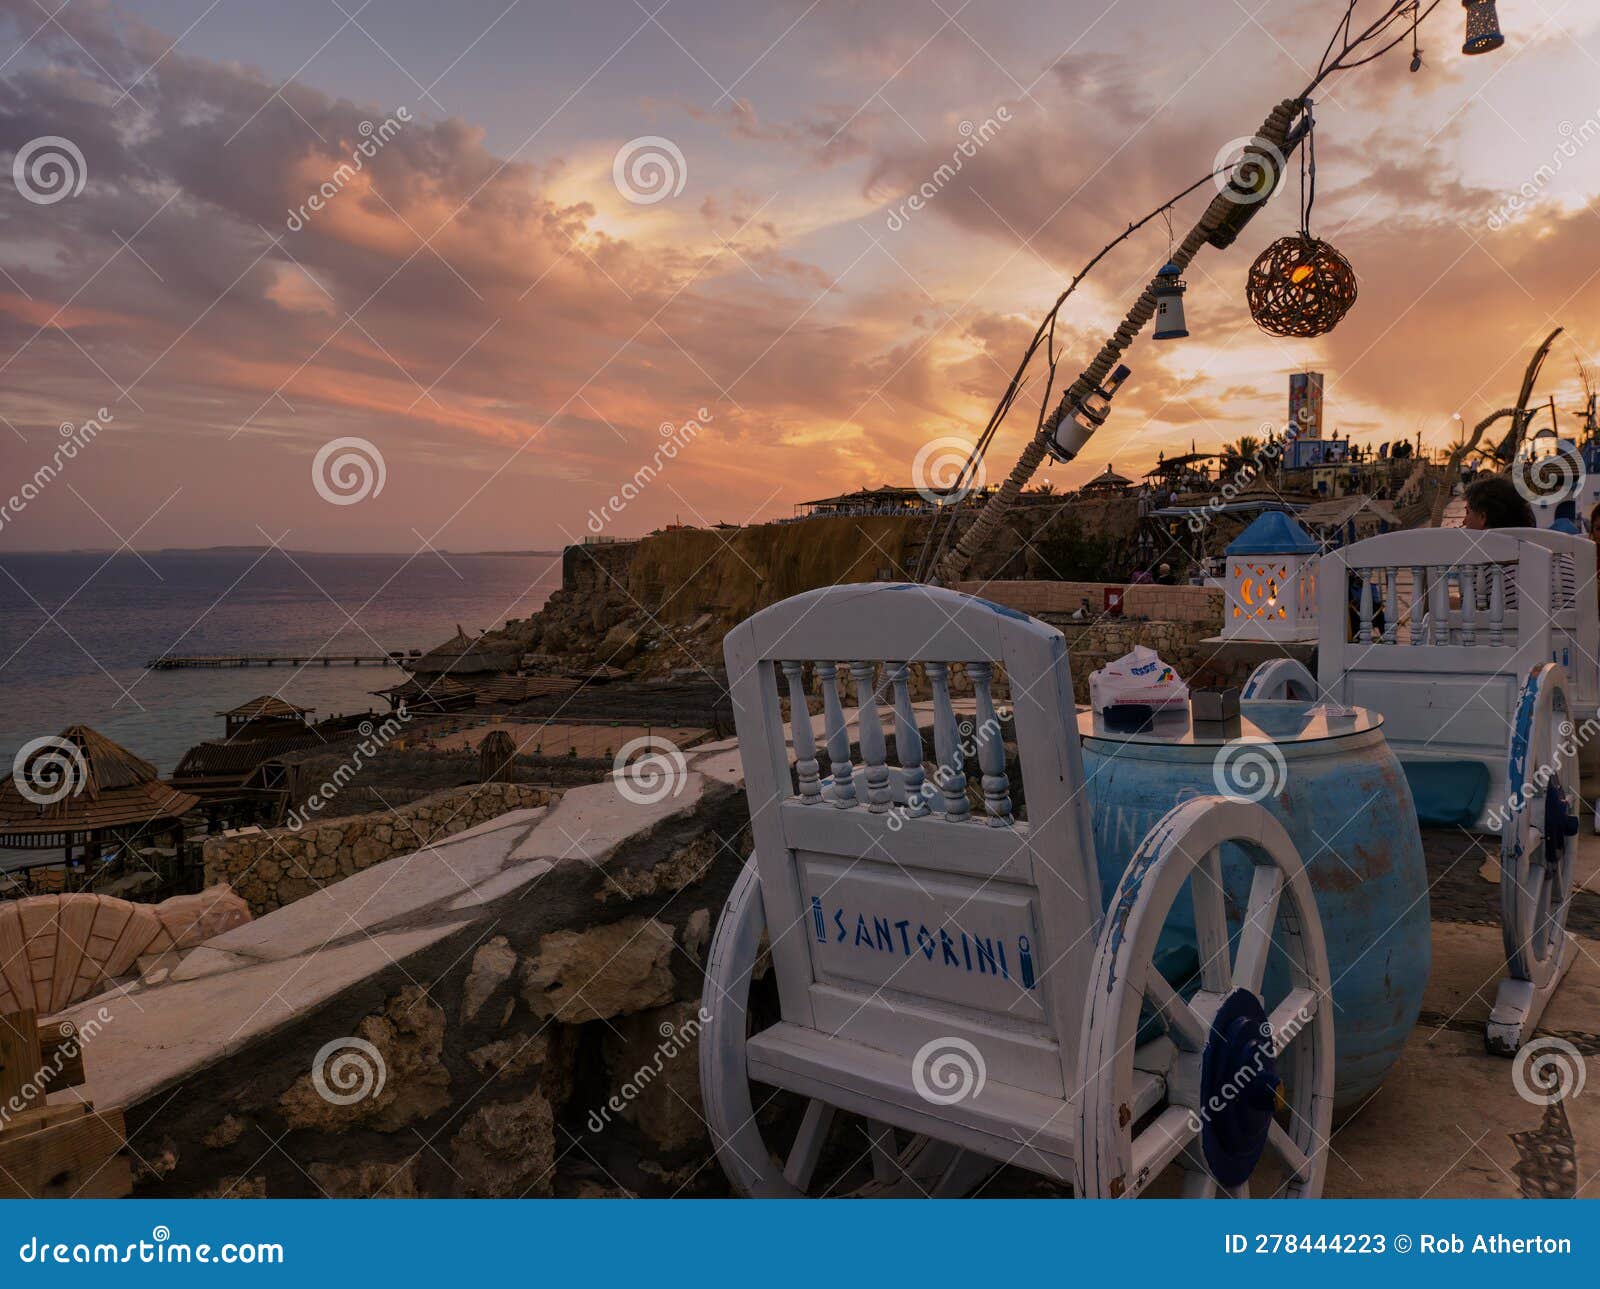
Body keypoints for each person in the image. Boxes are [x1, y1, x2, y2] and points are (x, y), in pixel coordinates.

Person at [1462, 475, 1534, 530]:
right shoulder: (1537, 544)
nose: (1464, 522)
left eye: (1467, 512)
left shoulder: (1464, 548)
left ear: (1482, 517)